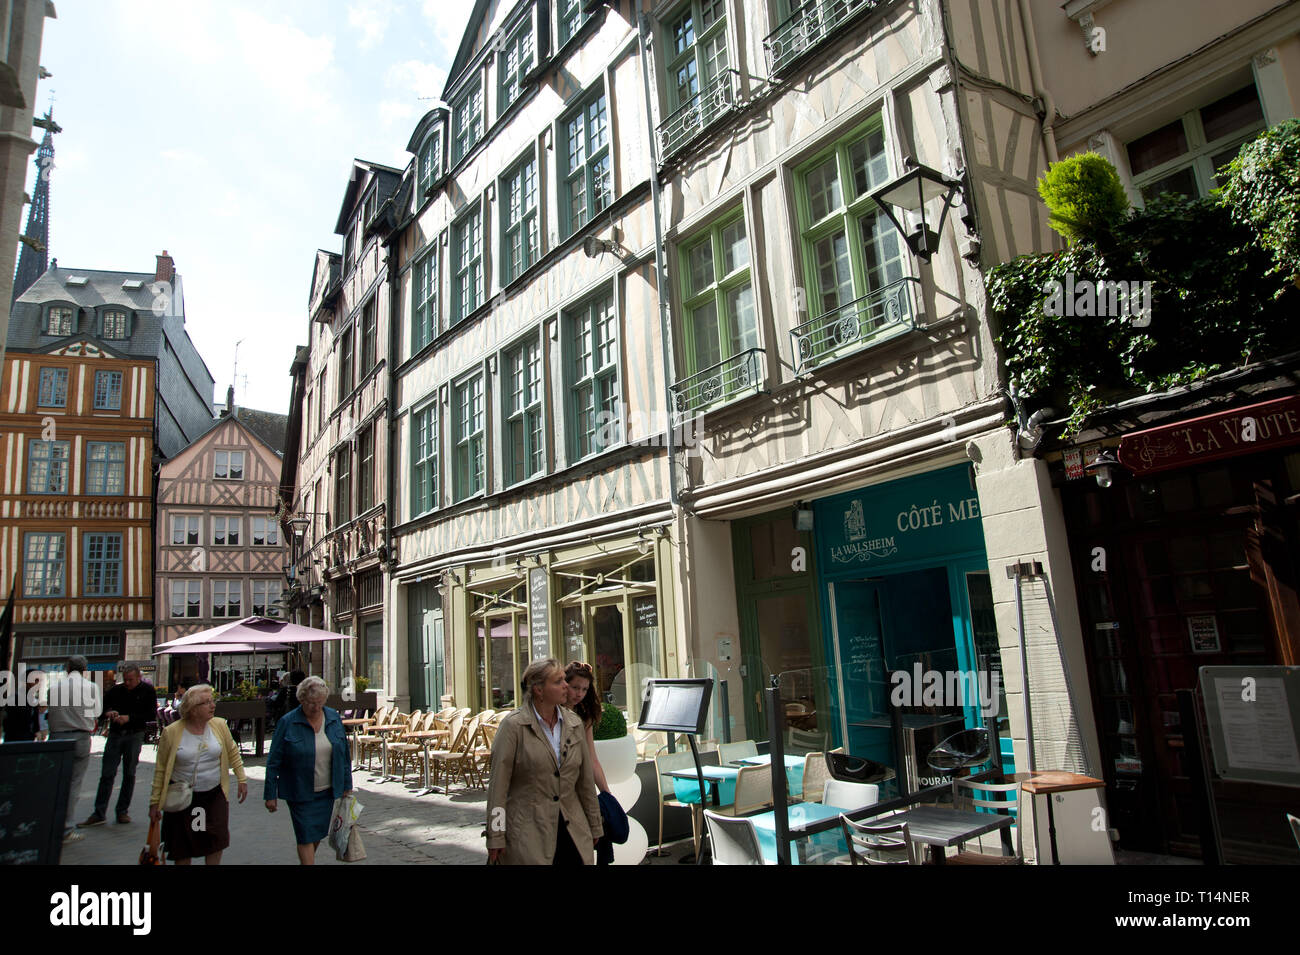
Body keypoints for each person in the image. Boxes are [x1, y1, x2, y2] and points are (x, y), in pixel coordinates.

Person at [486, 658, 603, 865]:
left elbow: (584, 782)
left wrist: (595, 824)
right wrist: (495, 835)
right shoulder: (513, 727)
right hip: (528, 833)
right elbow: (498, 788)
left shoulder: (574, 723)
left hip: (573, 830)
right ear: (539, 690)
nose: (566, 685)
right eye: (558, 681)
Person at [148, 684, 247, 864]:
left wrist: (242, 778)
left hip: (214, 794)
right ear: (193, 709)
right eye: (206, 702)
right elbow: (161, 769)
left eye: (212, 701)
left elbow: (232, 751)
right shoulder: (171, 732)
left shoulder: (219, 725)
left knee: (216, 840)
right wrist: (155, 802)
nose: (212, 705)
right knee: (184, 846)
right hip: (183, 797)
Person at [263, 676, 353, 865]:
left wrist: (347, 785)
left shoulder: (333, 718)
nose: (316, 707)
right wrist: (270, 794)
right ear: (302, 700)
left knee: (316, 834)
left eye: (320, 703)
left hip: (328, 791)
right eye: (311, 703)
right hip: (299, 791)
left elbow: (344, 754)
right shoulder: (288, 723)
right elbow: (273, 761)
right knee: (304, 835)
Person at [81, 663, 155, 827]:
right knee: (107, 774)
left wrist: (129, 718)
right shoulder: (116, 690)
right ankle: (99, 812)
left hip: (134, 734)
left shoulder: (147, 691)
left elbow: (150, 714)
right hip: (115, 734)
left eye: (131, 680)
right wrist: (109, 712)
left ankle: (122, 811)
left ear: (138, 678)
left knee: (129, 773)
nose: (127, 683)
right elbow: (101, 710)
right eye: (125, 679)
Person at [46, 656, 102, 844]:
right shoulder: (91, 688)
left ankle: (50, 822)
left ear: (68, 668)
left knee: (54, 783)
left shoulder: (54, 688)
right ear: (85, 668)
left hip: (57, 737)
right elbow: (95, 714)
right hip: (80, 737)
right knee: (73, 784)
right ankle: (65, 829)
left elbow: (50, 712)